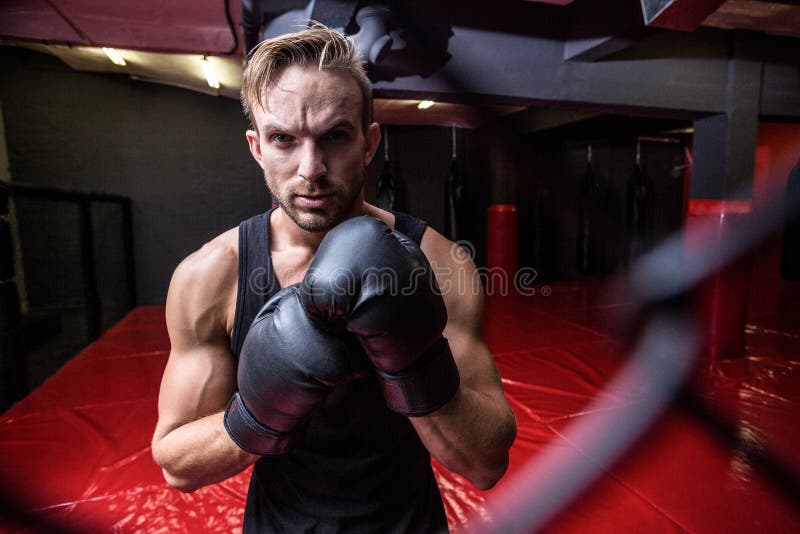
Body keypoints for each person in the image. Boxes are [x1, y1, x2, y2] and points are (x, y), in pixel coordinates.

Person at [151, 23, 516, 533]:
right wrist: (258, 414)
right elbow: (175, 465)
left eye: (334, 137)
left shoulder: (440, 265)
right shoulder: (210, 277)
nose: (310, 169)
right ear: (257, 148)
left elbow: (485, 463)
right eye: (284, 140)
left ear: (369, 143)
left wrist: (412, 367)